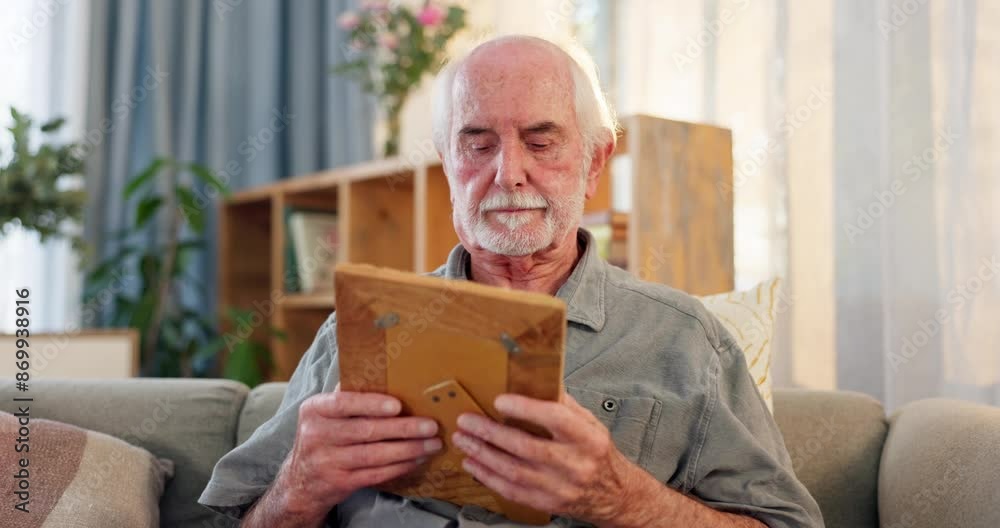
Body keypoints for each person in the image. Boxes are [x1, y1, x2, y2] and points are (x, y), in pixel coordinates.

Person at [198, 35, 824, 528]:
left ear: (594, 163)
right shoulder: (352, 333)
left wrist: (623, 499)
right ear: (448, 162)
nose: (508, 174)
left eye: (541, 141)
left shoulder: (687, 341)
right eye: (477, 144)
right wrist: (301, 484)